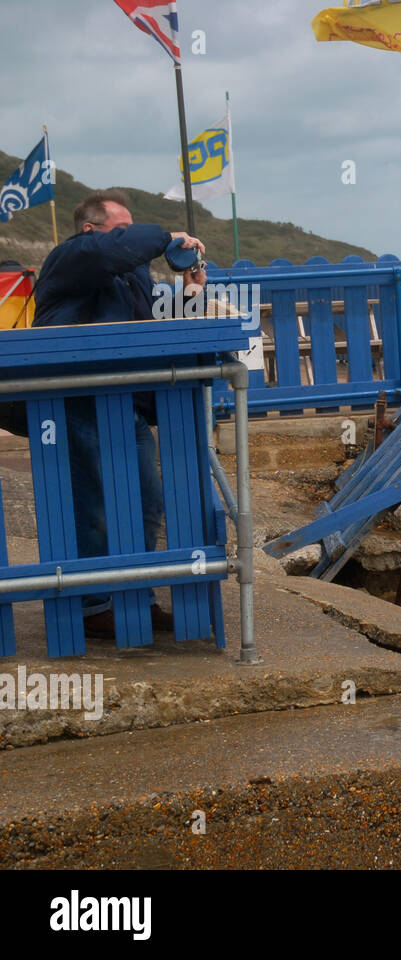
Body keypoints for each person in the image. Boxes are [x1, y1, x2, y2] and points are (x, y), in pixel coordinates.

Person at [32, 189, 206, 637]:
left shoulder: (128, 274)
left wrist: (189, 296)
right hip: (77, 401)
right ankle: (93, 606)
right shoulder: (71, 257)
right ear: (90, 230)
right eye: (121, 228)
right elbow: (114, 250)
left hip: (124, 401)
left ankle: (136, 598)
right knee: (94, 505)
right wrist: (167, 234)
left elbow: (145, 330)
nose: (131, 239)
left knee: (148, 502)